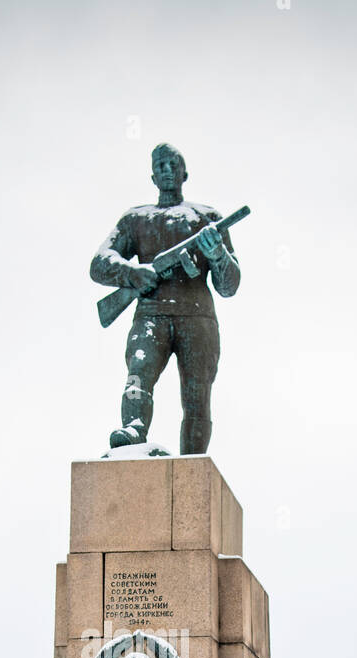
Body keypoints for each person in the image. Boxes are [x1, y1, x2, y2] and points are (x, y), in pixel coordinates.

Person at [90, 143, 241, 453]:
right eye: (160, 166)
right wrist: (132, 273)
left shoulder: (208, 218)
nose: (167, 170)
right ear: (152, 176)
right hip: (150, 315)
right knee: (138, 376)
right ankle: (133, 429)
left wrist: (217, 254)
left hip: (197, 317)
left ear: (185, 173)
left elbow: (229, 285)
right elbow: (99, 263)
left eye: (172, 164)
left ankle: (193, 460)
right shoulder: (135, 219)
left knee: (197, 394)